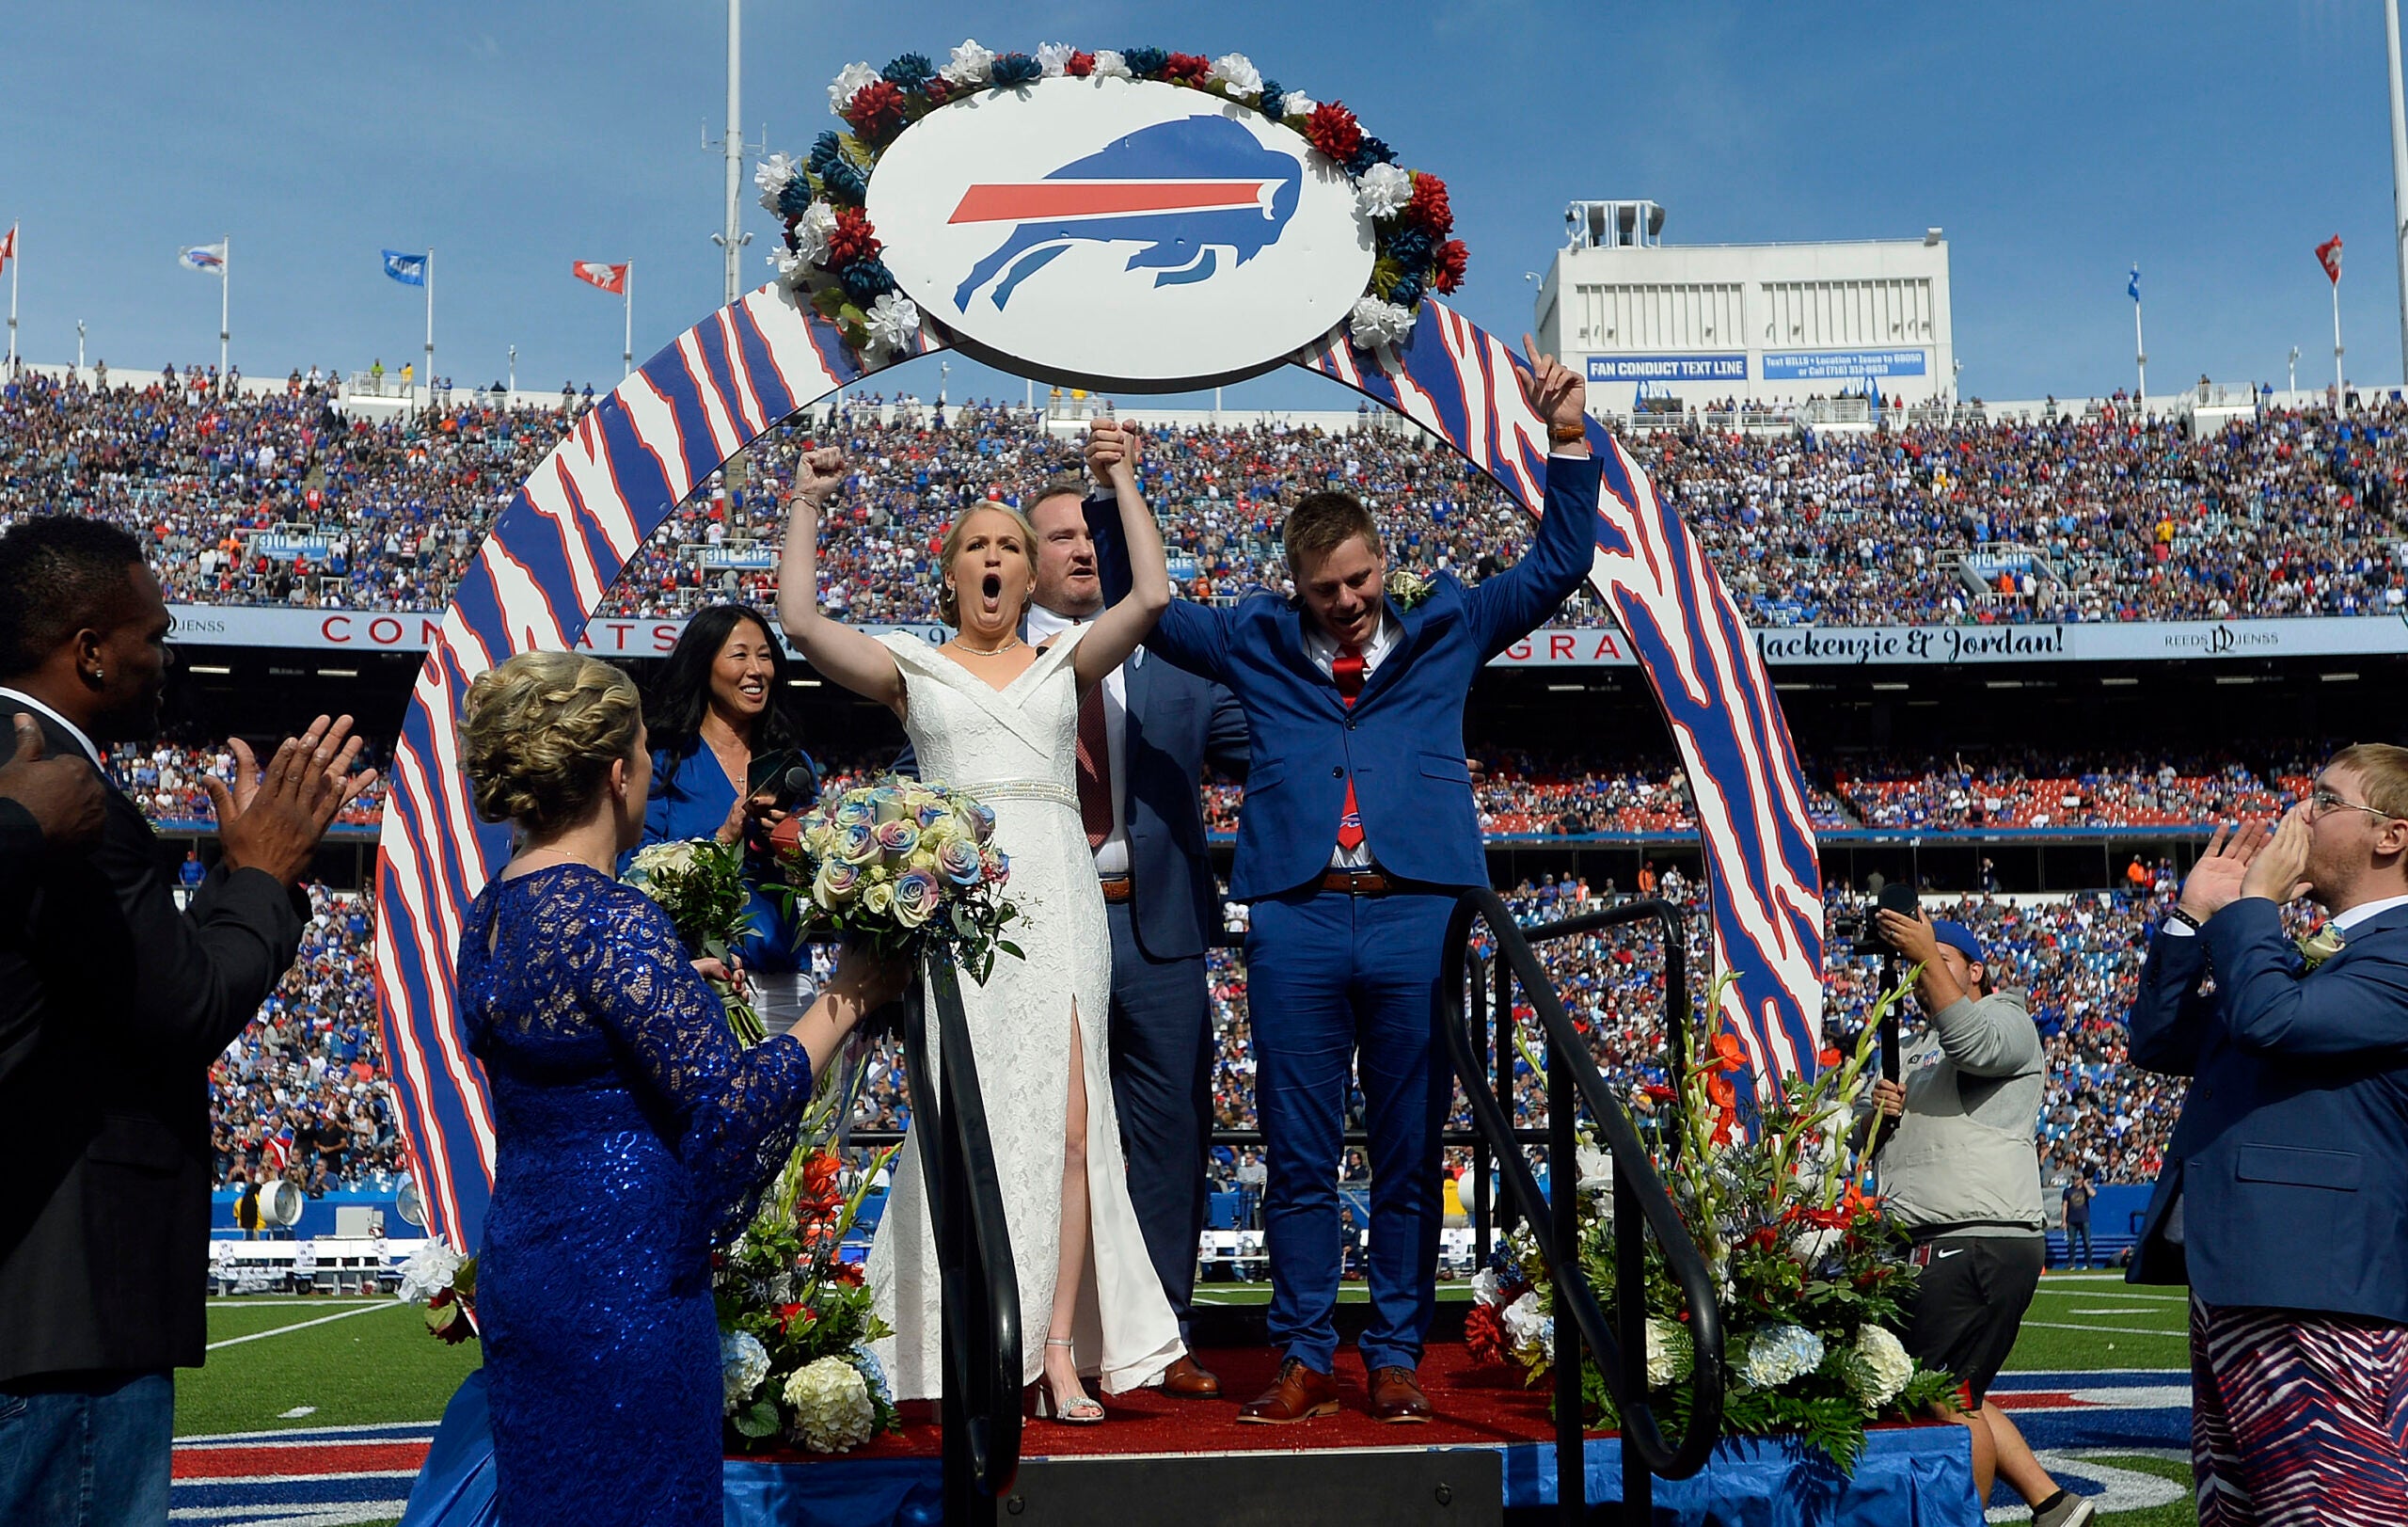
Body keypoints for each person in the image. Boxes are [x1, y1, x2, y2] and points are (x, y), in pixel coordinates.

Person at [1095, 342, 1601, 1425]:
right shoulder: (1254, 638)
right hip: (1298, 914)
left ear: (1386, 563)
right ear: (1295, 587)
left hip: (1420, 908)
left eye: (1361, 580)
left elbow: (1559, 563)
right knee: (1298, 1152)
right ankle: (1303, 1354)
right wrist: (1111, 492)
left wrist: (1564, 439)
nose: (1347, 603)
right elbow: (1145, 607)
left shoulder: (1449, 623)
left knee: (1414, 1148)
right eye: (1325, 589)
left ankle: (1397, 1356)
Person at [777, 435, 1182, 1422]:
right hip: (965, 920)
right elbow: (797, 620)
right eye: (980, 546)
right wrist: (805, 503)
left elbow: (1154, 599)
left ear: (1030, 569)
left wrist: (1117, 481)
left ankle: (1057, 1355)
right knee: (971, 1121)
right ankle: (964, 1336)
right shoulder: (911, 666)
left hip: (1062, 903)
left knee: (1079, 1127)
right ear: (952, 570)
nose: (998, 558)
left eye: (1012, 545)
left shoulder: (1061, 661)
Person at [452, 649, 898, 1526]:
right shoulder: (614, 919)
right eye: (647, 752)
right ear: (617, 773)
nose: (655, 768)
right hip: (625, 1281)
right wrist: (848, 998)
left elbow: (550, 1041)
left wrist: (665, 992)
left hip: (528, 1271)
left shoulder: (491, 910)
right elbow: (734, 1108)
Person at [0, 516, 374, 1527]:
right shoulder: (56, 788)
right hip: (63, 1313)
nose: (167, 658)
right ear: (89, 650)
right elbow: (181, 1009)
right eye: (154, 635)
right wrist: (262, 876)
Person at [905, 469, 1249, 1398]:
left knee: (1168, 1134)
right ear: (1025, 559)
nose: (1081, 548)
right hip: (1027, 929)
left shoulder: (1170, 661)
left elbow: (1266, 728)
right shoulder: (965, 674)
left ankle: (1157, 1336)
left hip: (1157, 927)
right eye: (1057, 536)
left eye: (1092, 532)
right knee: (1034, 1130)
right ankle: (1016, 1334)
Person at [2128, 746, 2408, 1521]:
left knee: (2332, 1509)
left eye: (2325, 799)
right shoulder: (2305, 954)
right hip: (2244, 1280)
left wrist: (2255, 904)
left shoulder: (2399, 950)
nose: (2300, 813)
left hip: (2319, 1286)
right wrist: (2193, 919)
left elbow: (2269, 1020)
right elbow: (2162, 1042)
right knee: (2240, 1511)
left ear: (2391, 835)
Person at [1870, 908, 2092, 1527]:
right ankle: (2053, 1502)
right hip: (1938, 1235)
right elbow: (1888, 1154)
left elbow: (1971, 1040)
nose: (1923, 972)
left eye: (1939, 960)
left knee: (1941, 1396)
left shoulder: (2007, 1018)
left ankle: (1966, 1517)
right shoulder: (1920, 1049)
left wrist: (1919, 952)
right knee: (1959, 1388)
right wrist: (1879, 1114)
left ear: (1976, 969)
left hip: (1975, 1236)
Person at [637, 604, 819, 1019]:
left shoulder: (794, 766)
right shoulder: (665, 762)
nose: (756, 670)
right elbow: (634, 873)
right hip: (694, 980)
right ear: (704, 666)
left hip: (789, 986)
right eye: (739, 655)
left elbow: (819, 887)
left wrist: (794, 849)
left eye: (765, 655)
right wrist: (724, 837)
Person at [2061, 1170, 2095, 1270]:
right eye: (2073, 1178)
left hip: (2084, 1219)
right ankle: (2071, 1263)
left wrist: (2086, 1185)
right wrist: (2064, 1220)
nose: (2074, 1180)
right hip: (2072, 1219)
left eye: (2077, 1178)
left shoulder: (2085, 1190)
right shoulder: (2068, 1191)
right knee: (2071, 1242)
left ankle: (2089, 1263)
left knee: (2087, 1242)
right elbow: (2064, 1206)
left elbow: (2093, 1194)